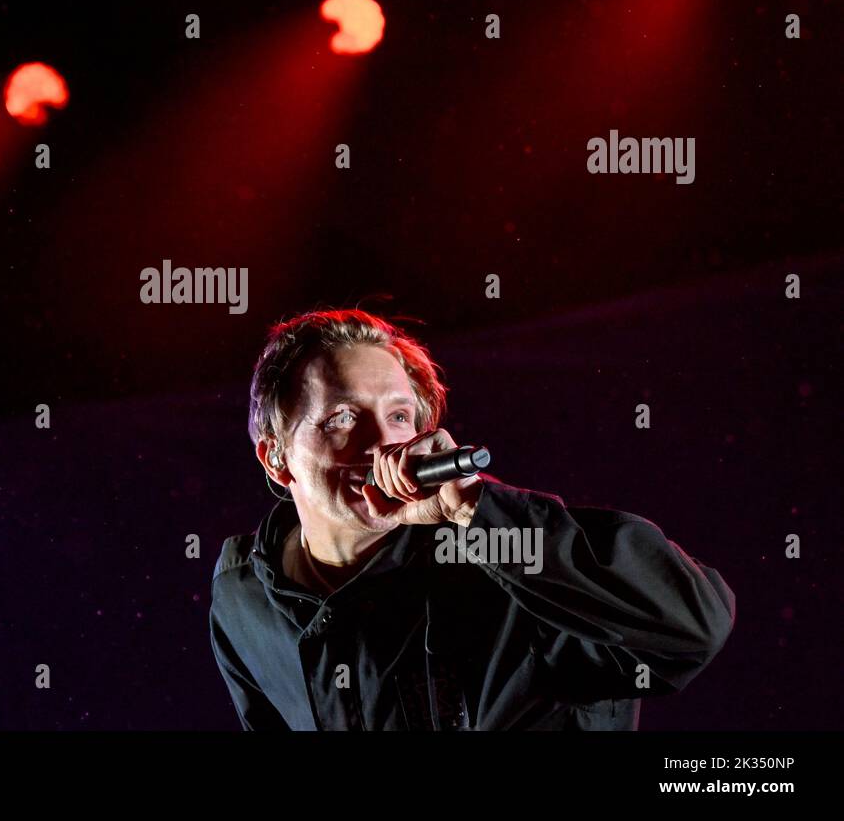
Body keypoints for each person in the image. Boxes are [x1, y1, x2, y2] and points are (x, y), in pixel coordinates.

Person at [209, 308, 735, 730]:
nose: (383, 443)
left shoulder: (501, 567)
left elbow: (692, 627)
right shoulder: (245, 598)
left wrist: (476, 510)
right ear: (276, 458)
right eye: (343, 417)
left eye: (397, 416)